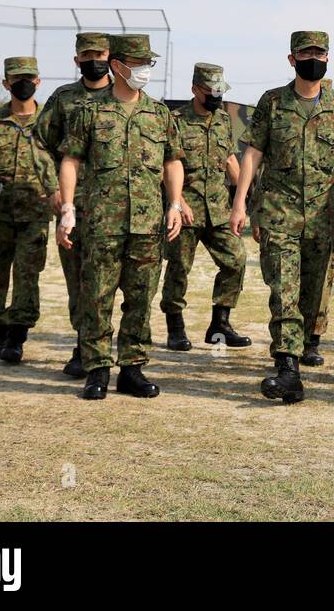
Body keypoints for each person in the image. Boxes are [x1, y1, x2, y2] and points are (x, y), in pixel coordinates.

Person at [231, 31, 334, 404]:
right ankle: (287, 368)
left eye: (319, 53)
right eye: (306, 53)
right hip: (279, 212)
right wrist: (240, 203)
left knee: (312, 291)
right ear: (292, 59)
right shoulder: (272, 102)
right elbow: (253, 155)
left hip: (323, 214)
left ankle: (303, 347)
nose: (313, 59)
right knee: (284, 292)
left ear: (328, 59)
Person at [57, 34, 184, 399]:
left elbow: (172, 161)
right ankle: (96, 370)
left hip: (147, 225)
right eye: (138, 63)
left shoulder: (159, 114)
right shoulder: (91, 112)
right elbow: (70, 160)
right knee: (97, 296)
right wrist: (68, 208)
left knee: (141, 298)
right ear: (118, 66)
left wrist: (174, 204)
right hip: (101, 223)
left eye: (148, 63)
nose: (145, 70)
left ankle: (132, 369)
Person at [0, 56, 59, 364]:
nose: (23, 83)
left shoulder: (51, 122)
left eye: (29, 77)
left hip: (35, 213)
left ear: (38, 82)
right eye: (16, 79)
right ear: (6, 83)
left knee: (28, 275)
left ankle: (17, 337)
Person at [34, 31, 113, 378]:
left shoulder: (125, 96)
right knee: (80, 281)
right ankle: (85, 345)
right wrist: (53, 188)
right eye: (87, 54)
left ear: (112, 57)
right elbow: (38, 143)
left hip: (123, 209)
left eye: (100, 53)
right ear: (76, 60)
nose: (93, 60)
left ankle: (118, 349)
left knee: (122, 283)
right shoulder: (64, 98)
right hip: (75, 207)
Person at [158, 62, 249, 351]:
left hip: (218, 210)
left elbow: (230, 159)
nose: (216, 96)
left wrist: (242, 199)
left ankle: (219, 324)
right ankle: (175, 328)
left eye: (220, 90)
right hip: (186, 210)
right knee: (179, 268)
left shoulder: (223, 120)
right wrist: (179, 202)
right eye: (210, 91)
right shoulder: (175, 120)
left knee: (236, 261)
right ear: (195, 89)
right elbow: (165, 165)